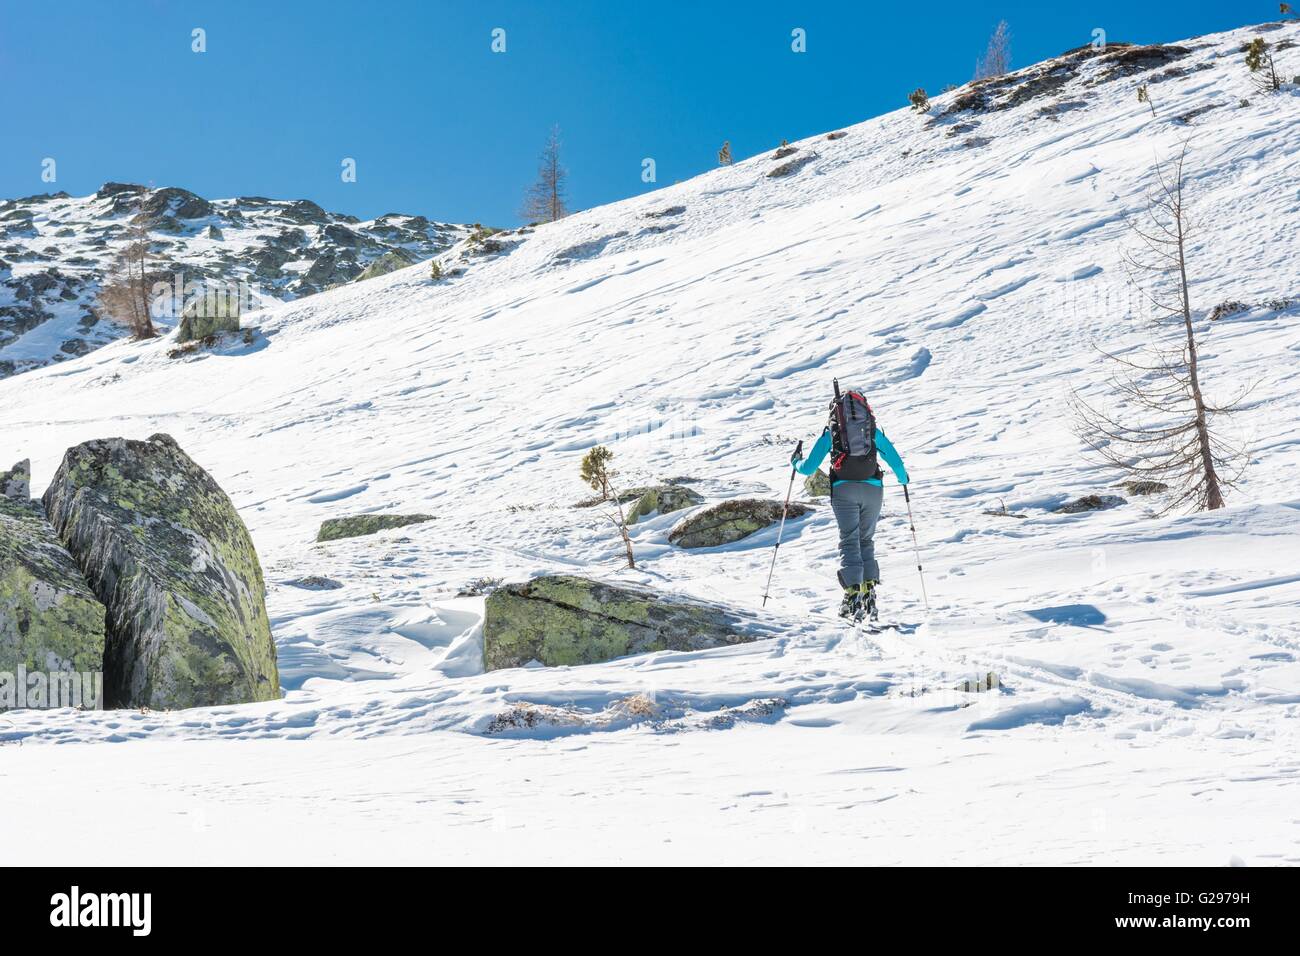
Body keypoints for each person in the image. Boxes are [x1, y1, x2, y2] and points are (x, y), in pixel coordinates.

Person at [790, 384, 909, 621]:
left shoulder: (833, 433)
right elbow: (894, 459)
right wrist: (903, 479)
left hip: (843, 489)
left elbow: (809, 467)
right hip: (873, 489)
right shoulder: (871, 431)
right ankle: (869, 593)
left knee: (849, 540)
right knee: (866, 539)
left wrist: (795, 462)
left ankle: (852, 595)